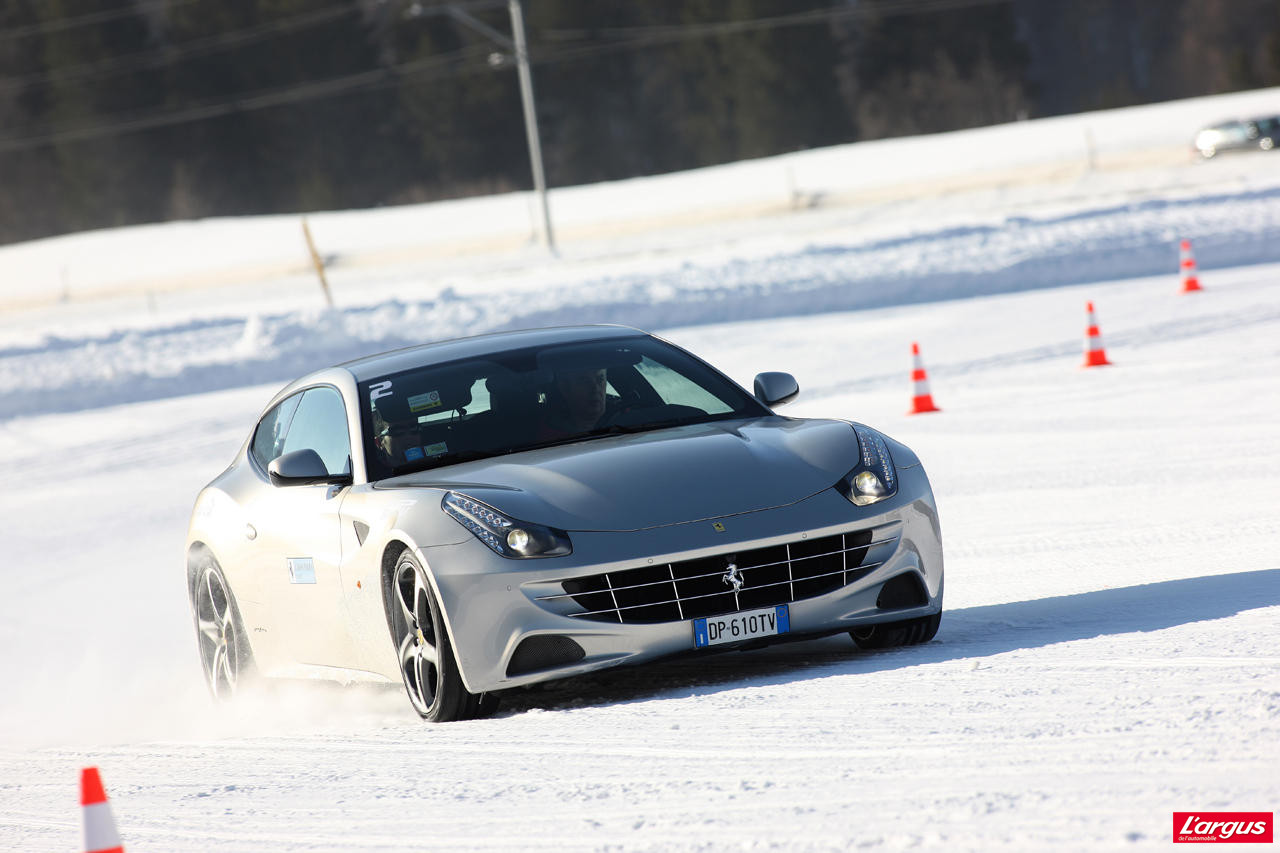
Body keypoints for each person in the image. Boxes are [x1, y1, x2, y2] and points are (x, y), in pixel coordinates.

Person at [537, 366, 609, 439]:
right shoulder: (551, 440)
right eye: (585, 381)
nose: (595, 388)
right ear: (565, 388)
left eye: (600, 379)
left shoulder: (616, 427)